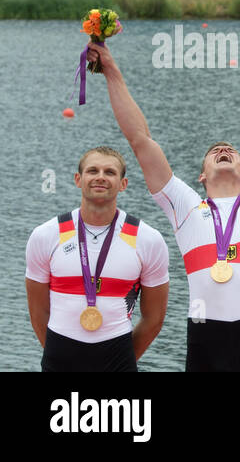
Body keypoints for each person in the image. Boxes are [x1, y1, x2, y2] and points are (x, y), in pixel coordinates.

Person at [91, 0, 240, 371]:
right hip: (204, 336)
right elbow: (140, 140)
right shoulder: (185, 207)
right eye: (215, 152)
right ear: (201, 176)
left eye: (231, 151)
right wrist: (112, 71)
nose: (224, 150)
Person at [25, 147, 170, 372]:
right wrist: (56, 352)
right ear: (78, 180)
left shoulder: (148, 239)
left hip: (118, 359)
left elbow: (154, 318)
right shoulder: (46, 235)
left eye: (110, 172)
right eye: (93, 170)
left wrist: (124, 360)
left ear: (123, 184)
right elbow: (37, 312)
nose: (100, 176)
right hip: (59, 358)